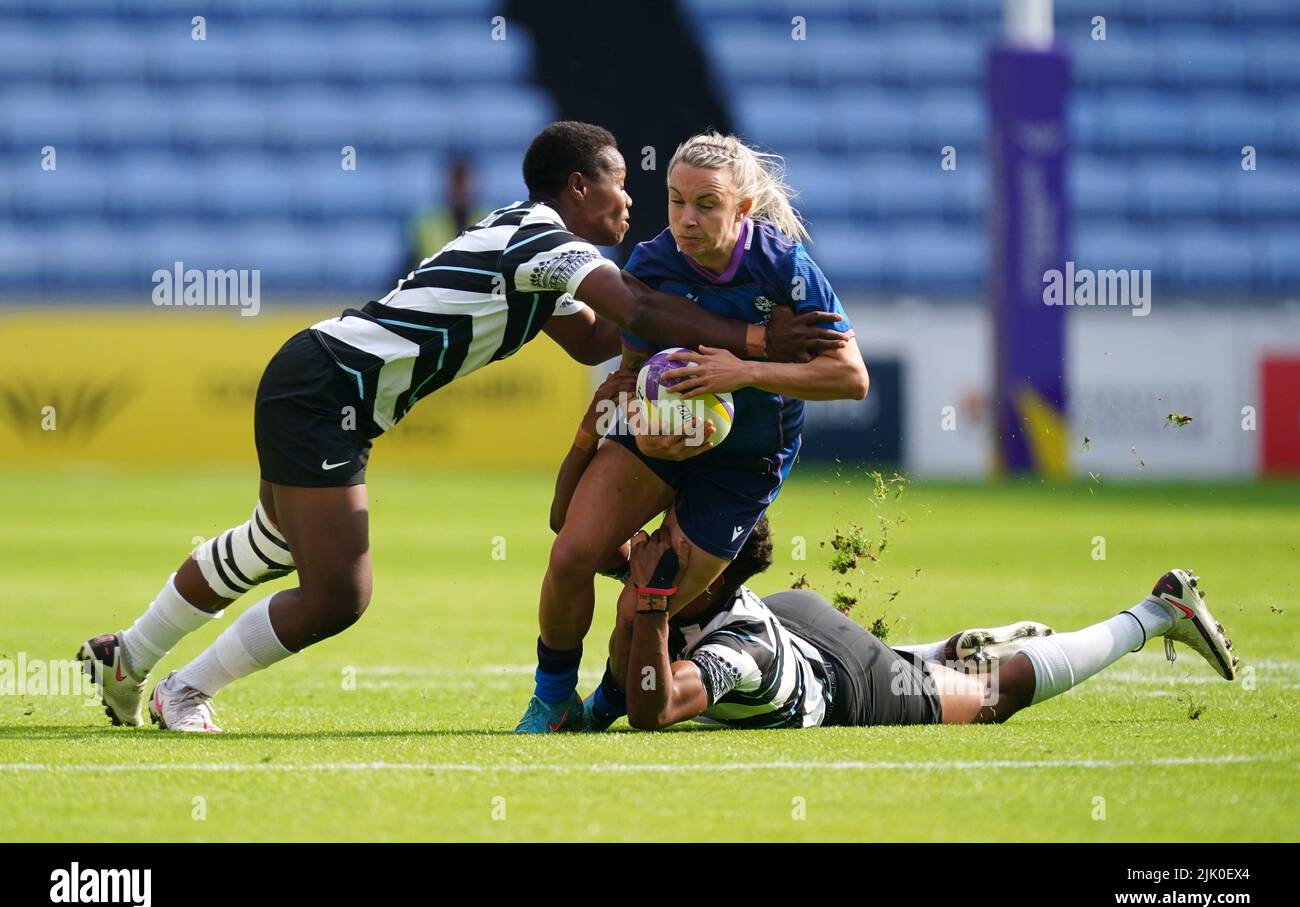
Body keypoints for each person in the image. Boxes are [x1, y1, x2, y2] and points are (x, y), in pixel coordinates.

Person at [76, 121, 845, 733]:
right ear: (579, 186)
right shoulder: (543, 238)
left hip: (321, 379)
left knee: (268, 543)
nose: (632, 204)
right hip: (327, 384)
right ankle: (182, 690)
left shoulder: (532, 249)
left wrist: (702, 340)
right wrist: (751, 341)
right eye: (619, 184)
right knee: (339, 593)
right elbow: (637, 311)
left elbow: (594, 336)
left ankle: (128, 657)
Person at [518, 131, 868, 733]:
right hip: (661, 439)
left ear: (743, 210)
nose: (686, 218)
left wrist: (744, 371)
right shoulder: (652, 262)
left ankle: (601, 709)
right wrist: (630, 403)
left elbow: (850, 377)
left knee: (638, 608)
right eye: (676, 201)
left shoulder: (785, 269)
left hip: (745, 462)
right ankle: (551, 700)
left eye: (706, 204)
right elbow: (633, 357)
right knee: (572, 554)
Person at [612, 521, 1238, 731]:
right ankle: (946, 650)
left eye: (672, 534)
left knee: (999, 695)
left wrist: (650, 602)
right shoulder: (692, 584)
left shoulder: (737, 646)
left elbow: (652, 709)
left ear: (715, 573)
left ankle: (1159, 611)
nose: (657, 541)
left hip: (850, 681)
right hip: (793, 621)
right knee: (926, 668)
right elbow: (572, 534)